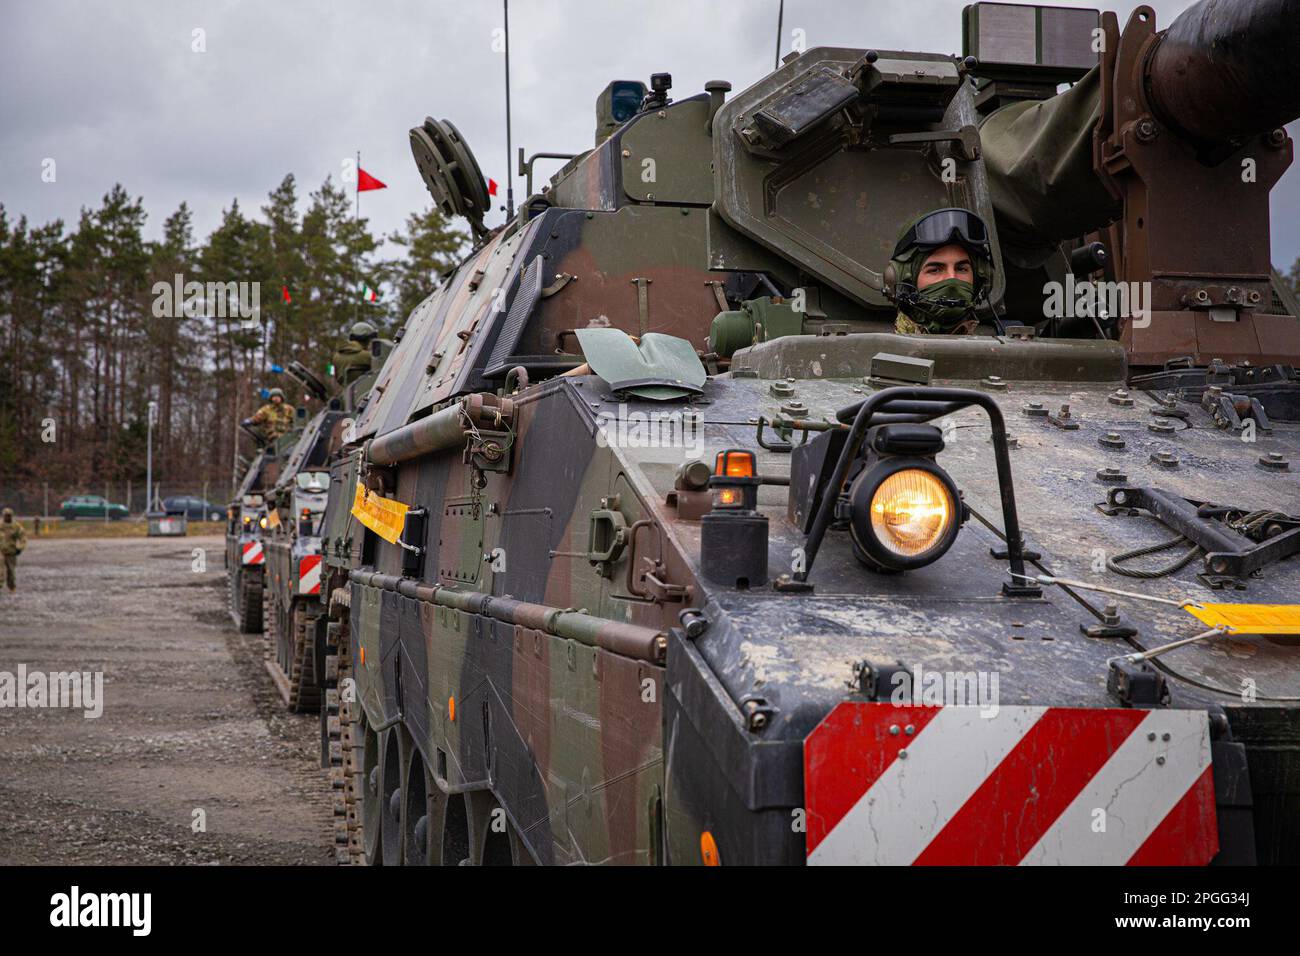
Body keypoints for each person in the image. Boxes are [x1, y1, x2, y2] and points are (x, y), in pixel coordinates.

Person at [884, 207, 995, 335]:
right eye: (935, 270)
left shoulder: (1004, 345)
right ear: (903, 280)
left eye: (961, 269)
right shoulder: (871, 348)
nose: (951, 279)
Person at [333, 321, 379, 386]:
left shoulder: (336, 357)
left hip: (346, 393)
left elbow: (337, 378)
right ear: (366, 339)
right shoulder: (367, 356)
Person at [0, 508, 27, 592]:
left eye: (9, 516)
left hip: (11, 552)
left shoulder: (16, 526)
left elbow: (23, 538)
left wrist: (20, 548)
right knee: (0, 570)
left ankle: (12, 587)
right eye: (5, 516)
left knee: (11, 571)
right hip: (1, 551)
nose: (7, 517)